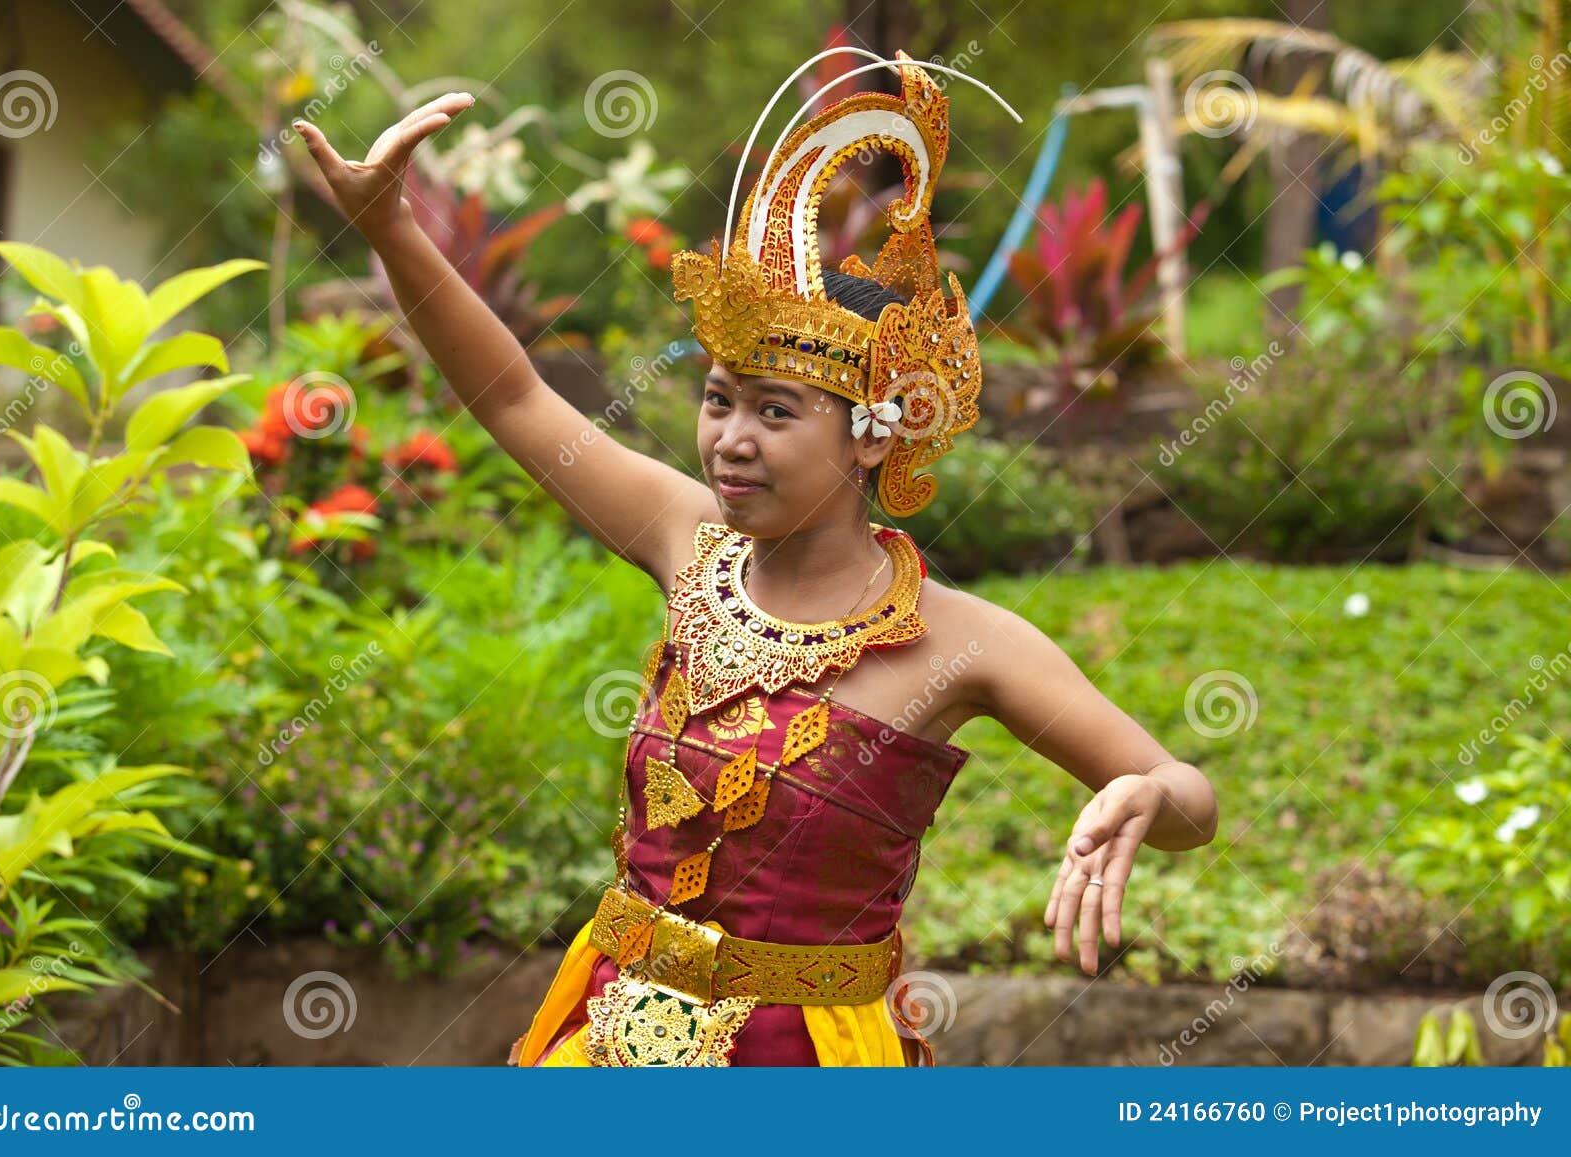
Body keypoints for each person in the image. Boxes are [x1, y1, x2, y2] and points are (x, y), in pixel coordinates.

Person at [295, 49, 1219, 1068]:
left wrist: (1146, 795)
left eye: (775, 412)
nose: (731, 438)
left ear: (875, 434)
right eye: (718, 399)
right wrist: (390, 227)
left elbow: (1185, 794)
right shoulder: (685, 540)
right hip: (605, 1036)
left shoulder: (963, 642)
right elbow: (515, 397)